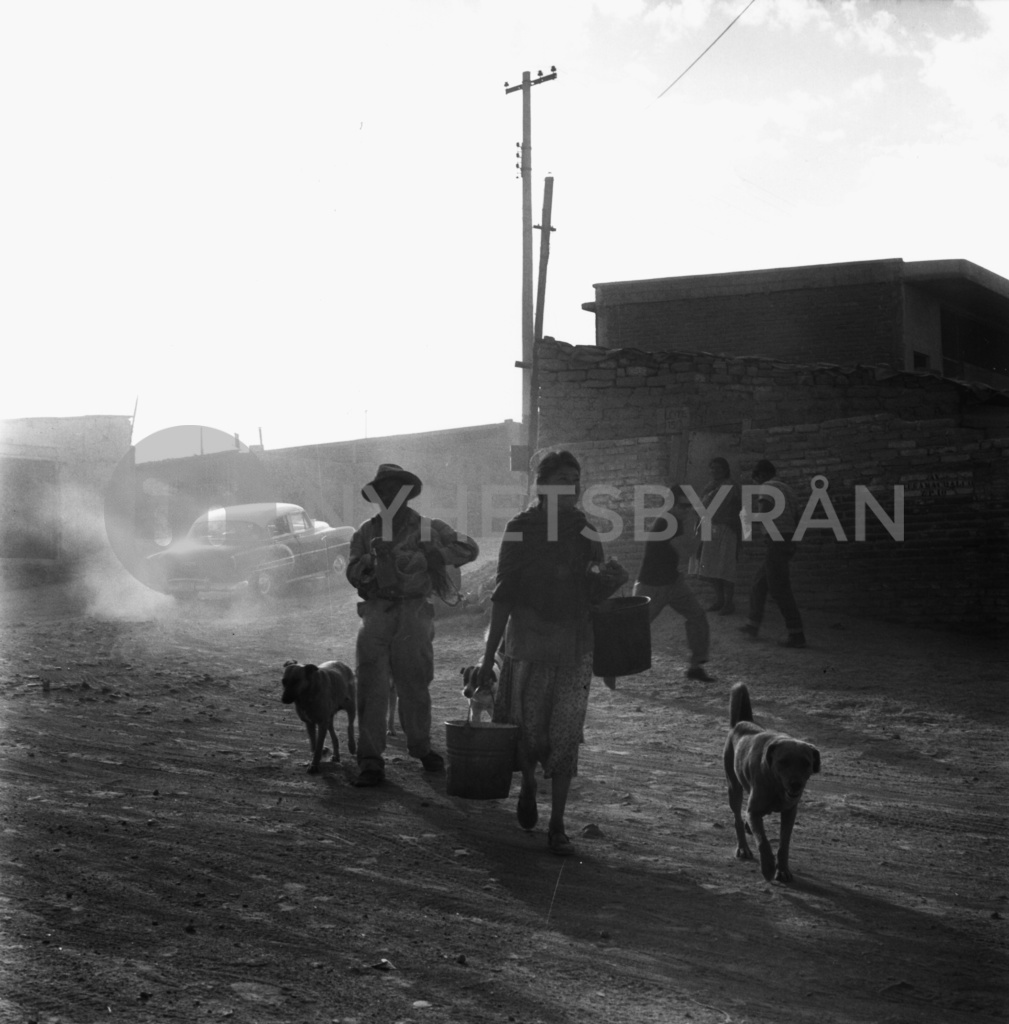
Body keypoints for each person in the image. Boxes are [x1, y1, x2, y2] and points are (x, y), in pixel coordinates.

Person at [477, 451, 627, 857]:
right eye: (563, 479)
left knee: (565, 736)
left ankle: (557, 824)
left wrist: (611, 583)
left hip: (574, 646)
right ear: (542, 486)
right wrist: (487, 657)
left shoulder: (586, 532)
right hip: (527, 643)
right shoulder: (520, 528)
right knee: (527, 732)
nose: (573, 489)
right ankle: (527, 783)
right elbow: (503, 593)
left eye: (576, 481)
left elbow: (593, 595)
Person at [347, 463, 479, 787]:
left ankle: (420, 747)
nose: (390, 496)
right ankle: (370, 760)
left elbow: (469, 548)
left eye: (396, 490)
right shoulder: (365, 532)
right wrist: (367, 563)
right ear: (376, 497)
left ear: (407, 494)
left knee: (414, 684)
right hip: (377, 613)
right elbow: (351, 573)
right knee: (371, 688)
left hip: (414, 612)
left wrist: (433, 554)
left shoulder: (425, 528)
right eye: (384, 491)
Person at [634, 485, 714, 682]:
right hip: (653, 585)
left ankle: (695, 667)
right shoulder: (667, 522)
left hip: (671, 580)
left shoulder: (675, 520)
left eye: (689, 506)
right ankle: (609, 666)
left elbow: (688, 549)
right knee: (634, 628)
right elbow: (688, 552)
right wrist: (694, 524)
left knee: (697, 616)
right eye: (683, 506)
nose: (686, 510)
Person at [740, 459, 806, 648]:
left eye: (756, 480)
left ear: (760, 475)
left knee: (779, 588)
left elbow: (763, 514)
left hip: (777, 541)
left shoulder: (767, 487)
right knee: (760, 583)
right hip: (786, 539)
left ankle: (796, 633)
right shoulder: (788, 490)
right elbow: (797, 518)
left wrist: (747, 519)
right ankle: (752, 625)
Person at [689, 457, 743, 614]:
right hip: (710, 528)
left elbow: (713, 508)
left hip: (726, 529)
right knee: (710, 565)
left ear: (725, 470)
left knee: (725, 567)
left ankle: (728, 603)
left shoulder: (729, 486)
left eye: (718, 468)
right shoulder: (710, 486)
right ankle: (719, 600)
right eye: (712, 468)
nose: (714, 471)